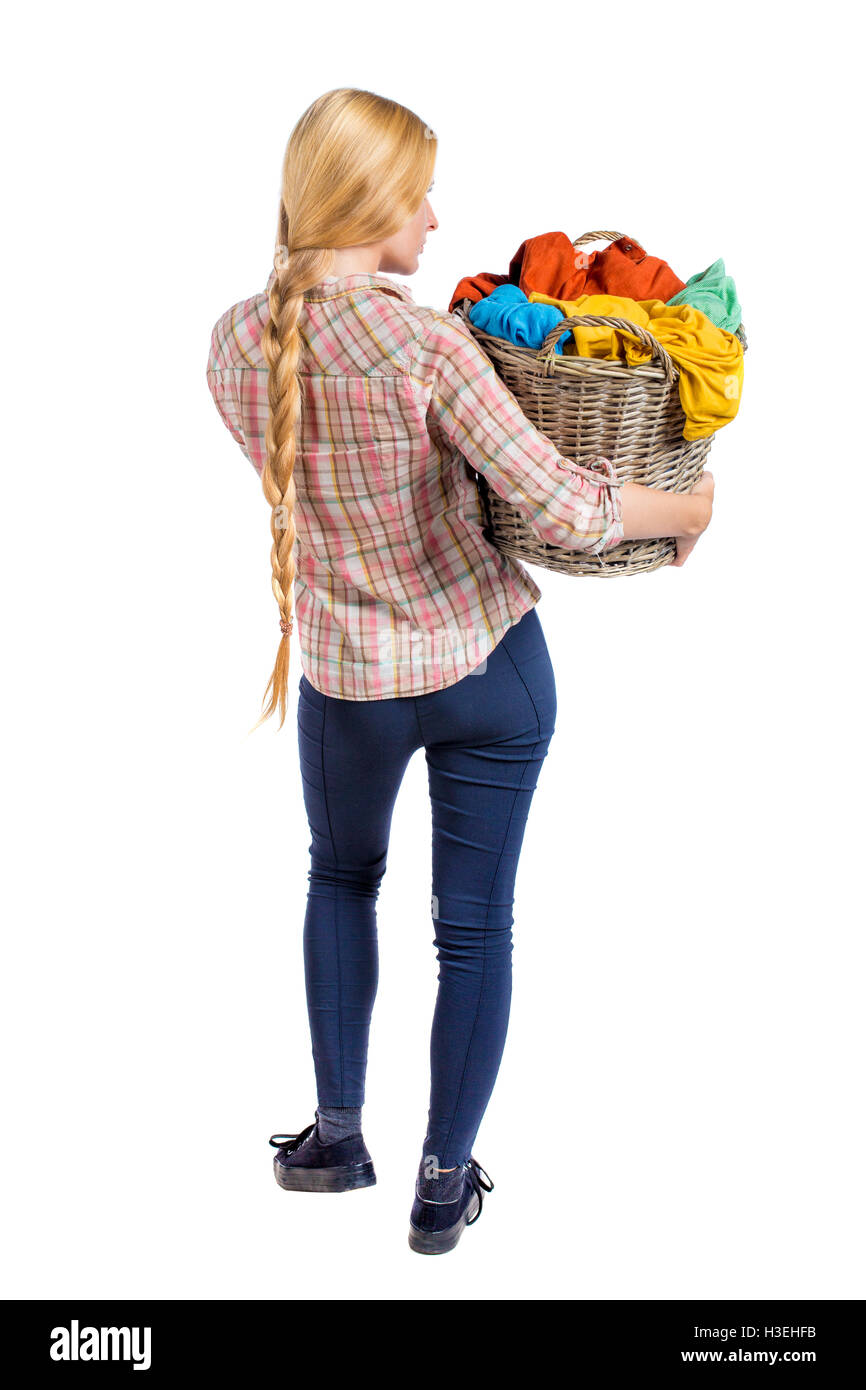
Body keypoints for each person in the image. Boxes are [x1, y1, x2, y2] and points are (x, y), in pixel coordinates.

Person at [205, 88, 715, 1256]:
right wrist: (687, 504)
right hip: (486, 668)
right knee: (474, 927)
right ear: (373, 200)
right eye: (420, 193)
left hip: (345, 683)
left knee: (341, 881)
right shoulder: (427, 342)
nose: (434, 220)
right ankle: (442, 1186)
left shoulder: (237, 342)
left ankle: (337, 1138)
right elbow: (563, 503)